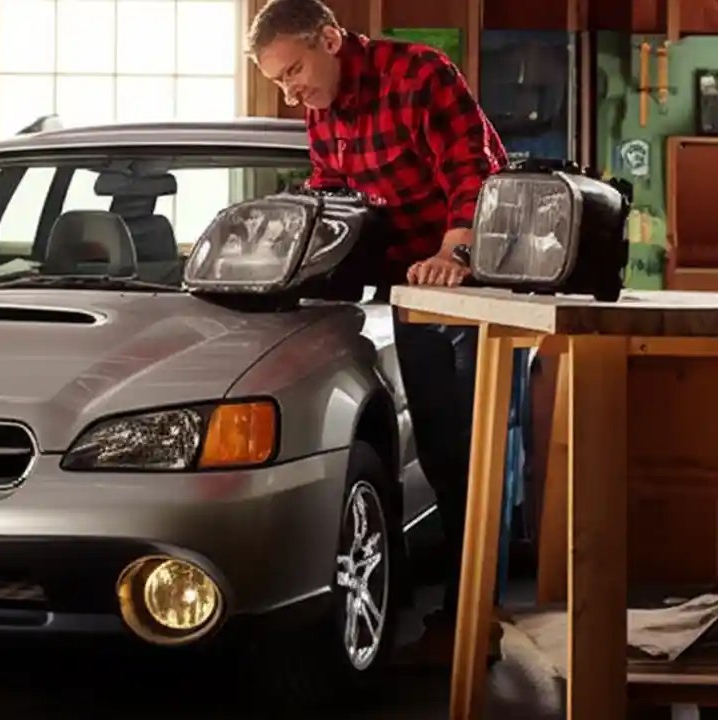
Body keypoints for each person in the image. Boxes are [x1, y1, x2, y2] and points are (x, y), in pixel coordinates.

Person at [245, 0, 509, 665]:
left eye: (295, 71)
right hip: (410, 291)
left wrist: (455, 255)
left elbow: (472, 174)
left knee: (477, 456)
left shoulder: (421, 74)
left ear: (331, 39)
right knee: (443, 451)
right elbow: (334, 202)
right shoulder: (320, 113)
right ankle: (460, 608)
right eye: (278, 81)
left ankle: (480, 618)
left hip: (478, 280)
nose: (291, 90)